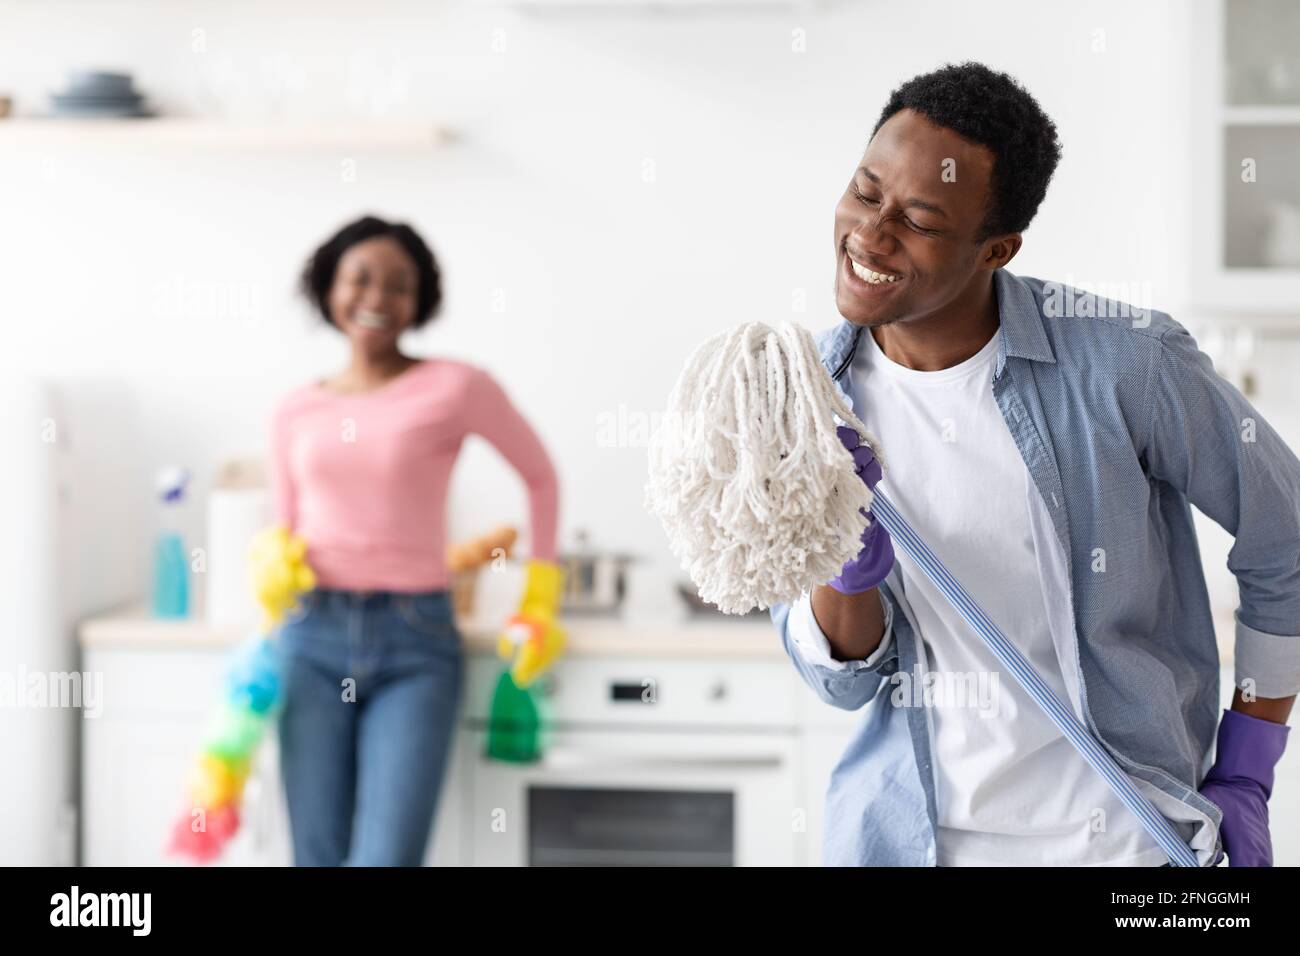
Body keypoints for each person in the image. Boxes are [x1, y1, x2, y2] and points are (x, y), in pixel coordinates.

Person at [770, 62, 1297, 867]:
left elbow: (1285, 538)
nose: (871, 236)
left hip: (1127, 845)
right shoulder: (804, 400)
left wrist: (1249, 766)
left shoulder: (1126, 366)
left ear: (997, 249)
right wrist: (846, 575)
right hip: (910, 845)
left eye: (919, 219)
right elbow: (840, 683)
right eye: (867, 192)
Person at [268, 214, 560, 865]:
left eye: (398, 285)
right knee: (315, 857)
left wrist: (540, 595)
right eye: (360, 279)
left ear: (419, 299)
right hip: (309, 636)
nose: (376, 299)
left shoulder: (456, 387)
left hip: (415, 641)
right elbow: (283, 529)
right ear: (328, 286)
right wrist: (270, 577)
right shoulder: (294, 409)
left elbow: (540, 477)